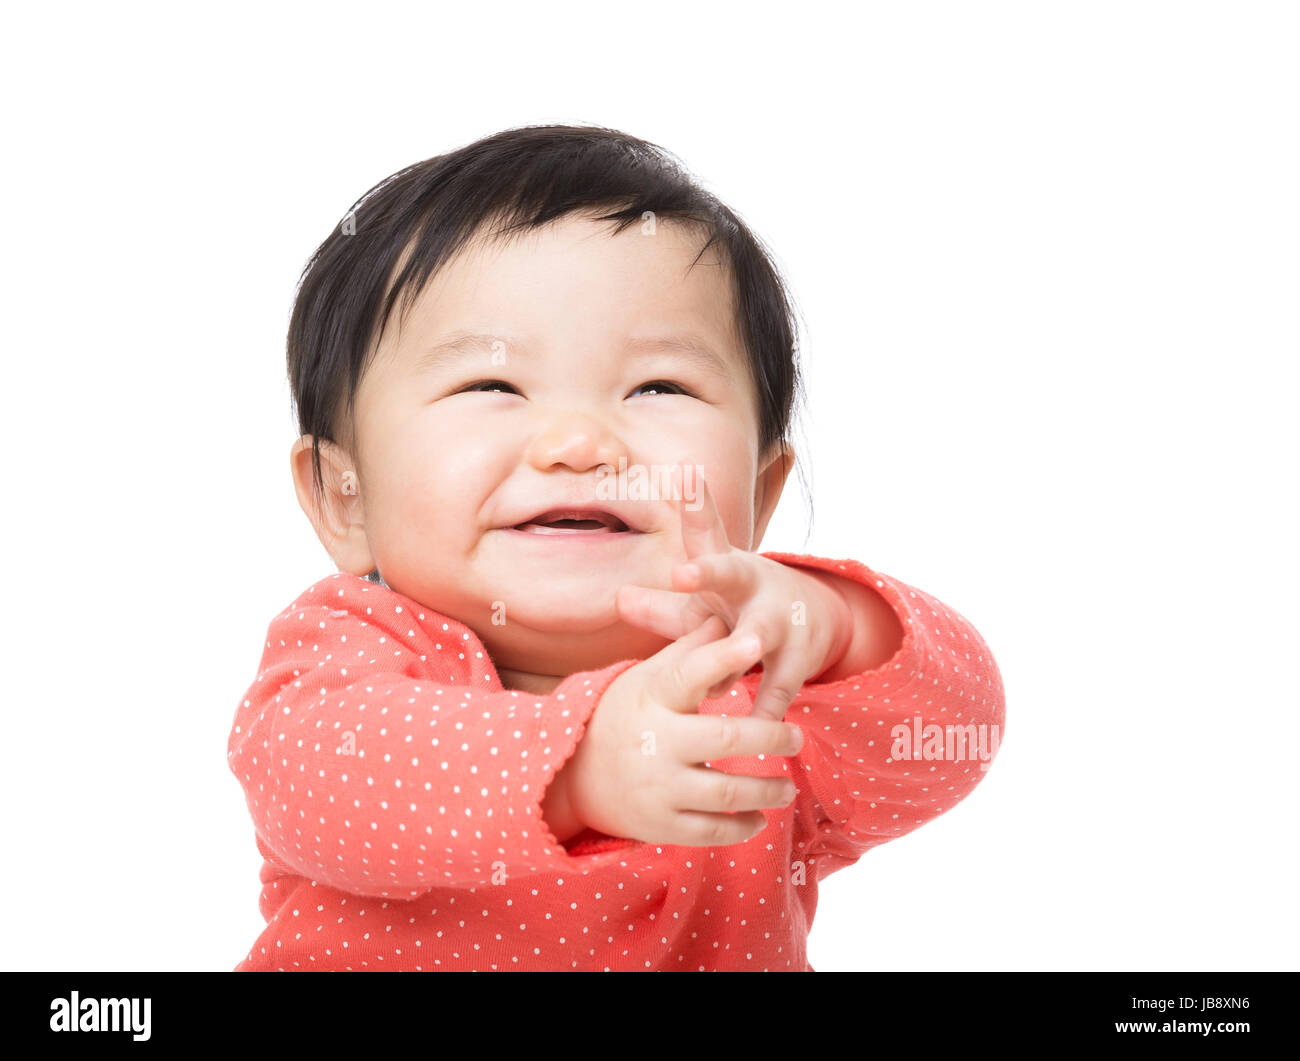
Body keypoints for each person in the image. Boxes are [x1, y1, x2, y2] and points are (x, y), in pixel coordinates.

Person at [227, 123, 1005, 971]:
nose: (578, 441)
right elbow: (322, 786)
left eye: (658, 386)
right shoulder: (348, 652)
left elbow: (948, 740)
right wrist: (580, 765)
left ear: (760, 493)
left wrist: (845, 628)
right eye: (491, 385)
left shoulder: (758, 692)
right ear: (344, 496)